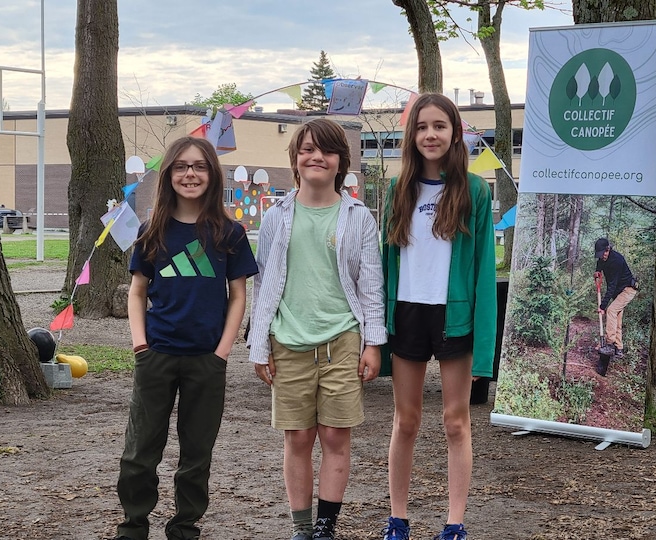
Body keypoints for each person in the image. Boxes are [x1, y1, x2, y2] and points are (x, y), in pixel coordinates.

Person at [247, 118, 386, 540]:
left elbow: (371, 284)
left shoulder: (358, 219)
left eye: (325, 151)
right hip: (288, 342)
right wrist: (259, 343)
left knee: (334, 436)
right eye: (306, 149)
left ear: (340, 161)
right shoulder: (276, 218)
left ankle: (325, 527)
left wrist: (373, 343)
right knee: (299, 438)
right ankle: (302, 528)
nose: (316, 157)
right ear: (295, 159)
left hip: (342, 340)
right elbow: (263, 281)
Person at [114, 136, 258, 540]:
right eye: (181, 166)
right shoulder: (151, 230)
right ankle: (133, 525)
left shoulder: (229, 233)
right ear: (168, 175)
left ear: (212, 175)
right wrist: (141, 346)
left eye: (199, 166)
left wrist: (222, 353)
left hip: (206, 361)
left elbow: (238, 296)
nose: (190, 174)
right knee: (140, 453)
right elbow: (137, 292)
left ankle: (184, 527)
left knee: (196, 456)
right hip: (157, 355)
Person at [381, 93, 497, 540]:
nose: (431, 134)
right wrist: (377, 331)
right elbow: (385, 260)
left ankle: (454, 524)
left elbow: (484, 271)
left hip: (455, 319)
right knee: (405, 420)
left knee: (455, 421)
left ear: (455, 134)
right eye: (422, 126)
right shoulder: (398, 189)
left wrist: (484, 353)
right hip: (407, 315)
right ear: (412, 135)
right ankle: (398, 519)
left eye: (440, 126)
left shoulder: (474, 190)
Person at [593, 237, 637, 359]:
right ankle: (619, 349)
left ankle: (609, 344)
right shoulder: (602, 258)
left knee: (611, 311)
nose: (602, 257)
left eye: (604, 254)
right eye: (600, 255)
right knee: (616, 319)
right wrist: (597, 271)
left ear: (608, 249)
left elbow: (612, 286)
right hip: (618, 292)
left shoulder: (617, 260)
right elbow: (599, 264)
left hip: (627, 289)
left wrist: (602, 306)